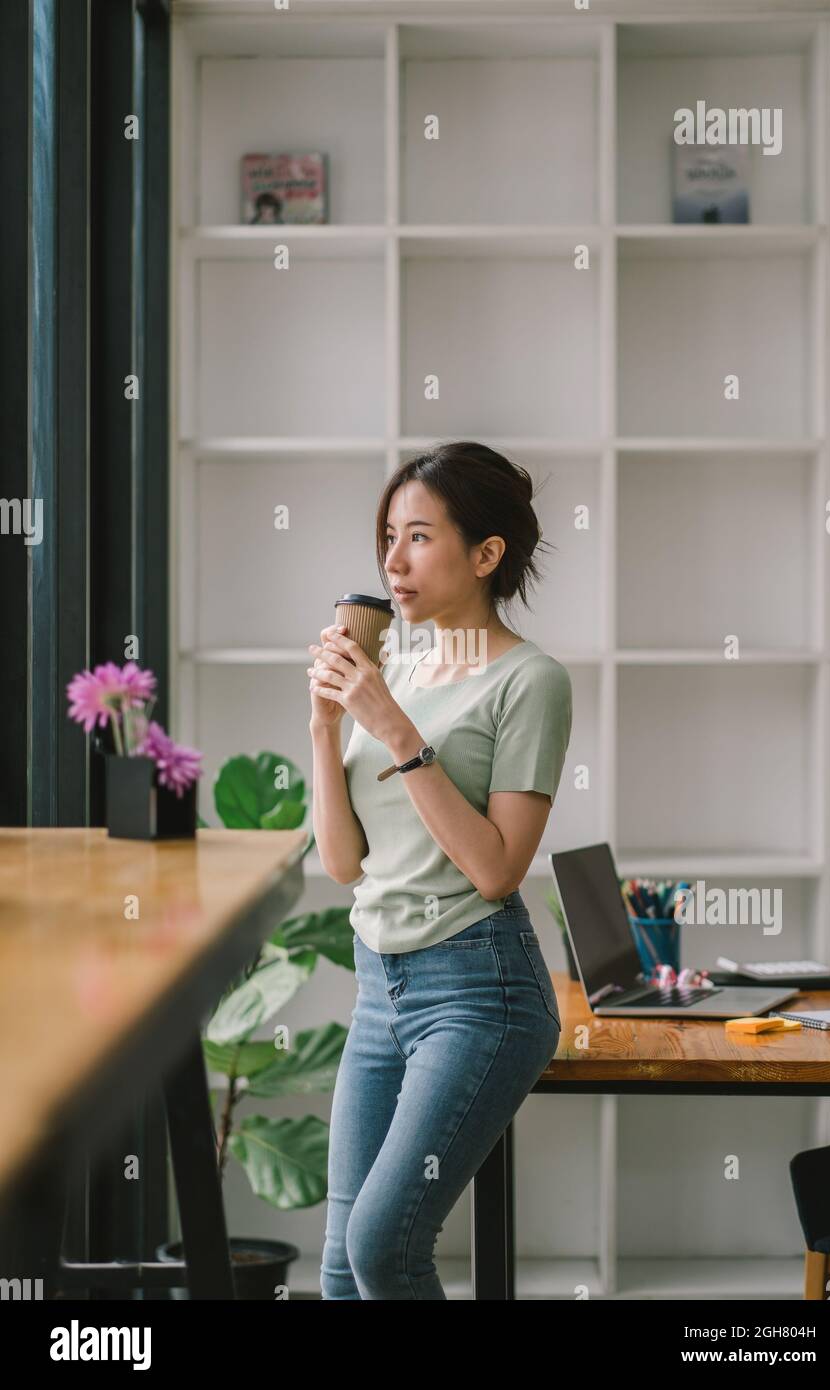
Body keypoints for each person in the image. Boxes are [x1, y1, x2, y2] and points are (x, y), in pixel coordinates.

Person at [307, 441, 573, 1299]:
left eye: (419, 536)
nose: (392, 560)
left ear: (486, 554)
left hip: (478, 990)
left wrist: (393, 730)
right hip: (378, 982)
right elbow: (346, 864)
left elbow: (496, 871)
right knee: (342, 1265)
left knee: (383, 1245)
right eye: (388, 535)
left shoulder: (529, 681)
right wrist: (322, 725)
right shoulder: (398, 667)